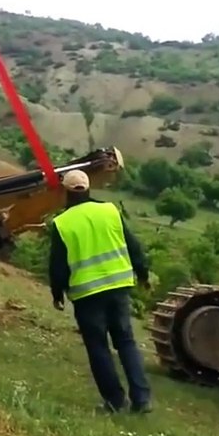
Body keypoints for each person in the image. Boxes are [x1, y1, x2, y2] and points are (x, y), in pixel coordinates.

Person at [47, 170, 152, 413]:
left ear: (65, 191)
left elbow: (58, 264)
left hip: (87, 294)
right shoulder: (109, 210)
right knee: (126, 341)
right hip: (118, 287)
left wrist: (57, 293)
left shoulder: (62, 223)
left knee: (98, 347)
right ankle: (142, 399)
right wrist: (143, 273)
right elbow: (132, 245)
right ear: (88, 188)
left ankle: (115, 401)